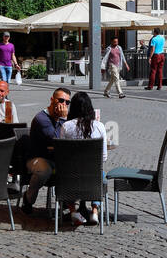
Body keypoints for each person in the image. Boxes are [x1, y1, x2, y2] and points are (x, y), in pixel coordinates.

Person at [59, 91, 107, 224]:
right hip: (92, 176)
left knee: (63, 174)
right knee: (101, 174)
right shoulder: (100, 126)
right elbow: (103, 157)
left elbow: (61, 154)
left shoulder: (66, 126)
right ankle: (95, 211)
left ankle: (73, 211)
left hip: (71, 176)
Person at [21, 87, 70, 216]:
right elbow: (57, 139)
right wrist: (64, 119)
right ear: (52, 100)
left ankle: (70, 203)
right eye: (60, 100)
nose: (63, 105)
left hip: (57, 158)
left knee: (75, 166)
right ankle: (28, 199)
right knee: (44, 170)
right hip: (37, 158)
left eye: (67, 102)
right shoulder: (41, 118)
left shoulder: (63, 118)